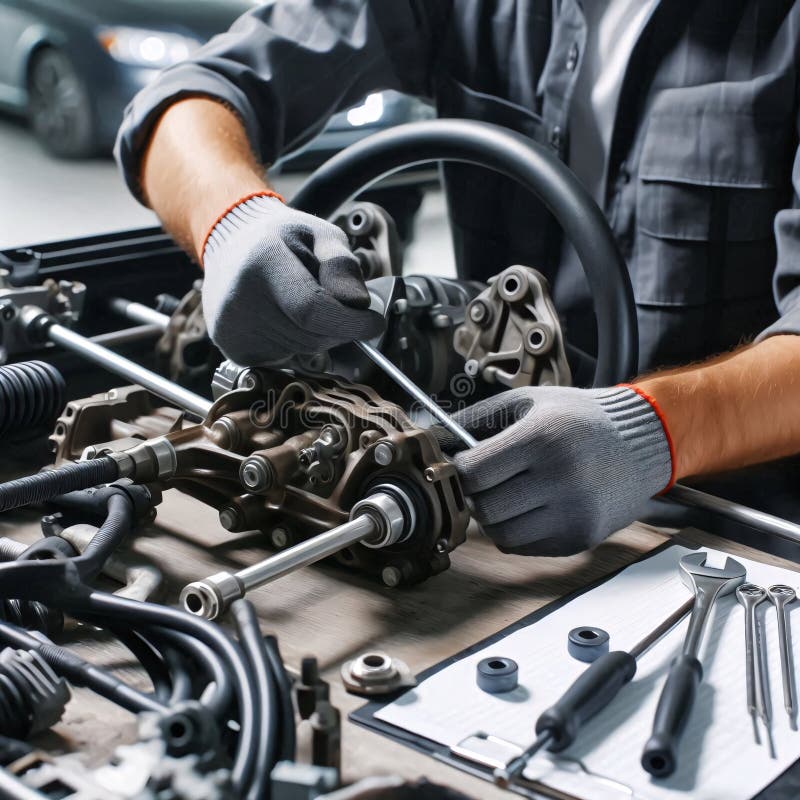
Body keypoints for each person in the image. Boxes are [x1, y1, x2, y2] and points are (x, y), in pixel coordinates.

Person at [115, 1, 800, 556]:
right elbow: (185, 98)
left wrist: (653, 431)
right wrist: (234, 219)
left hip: (728, 525)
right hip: (483, 487)